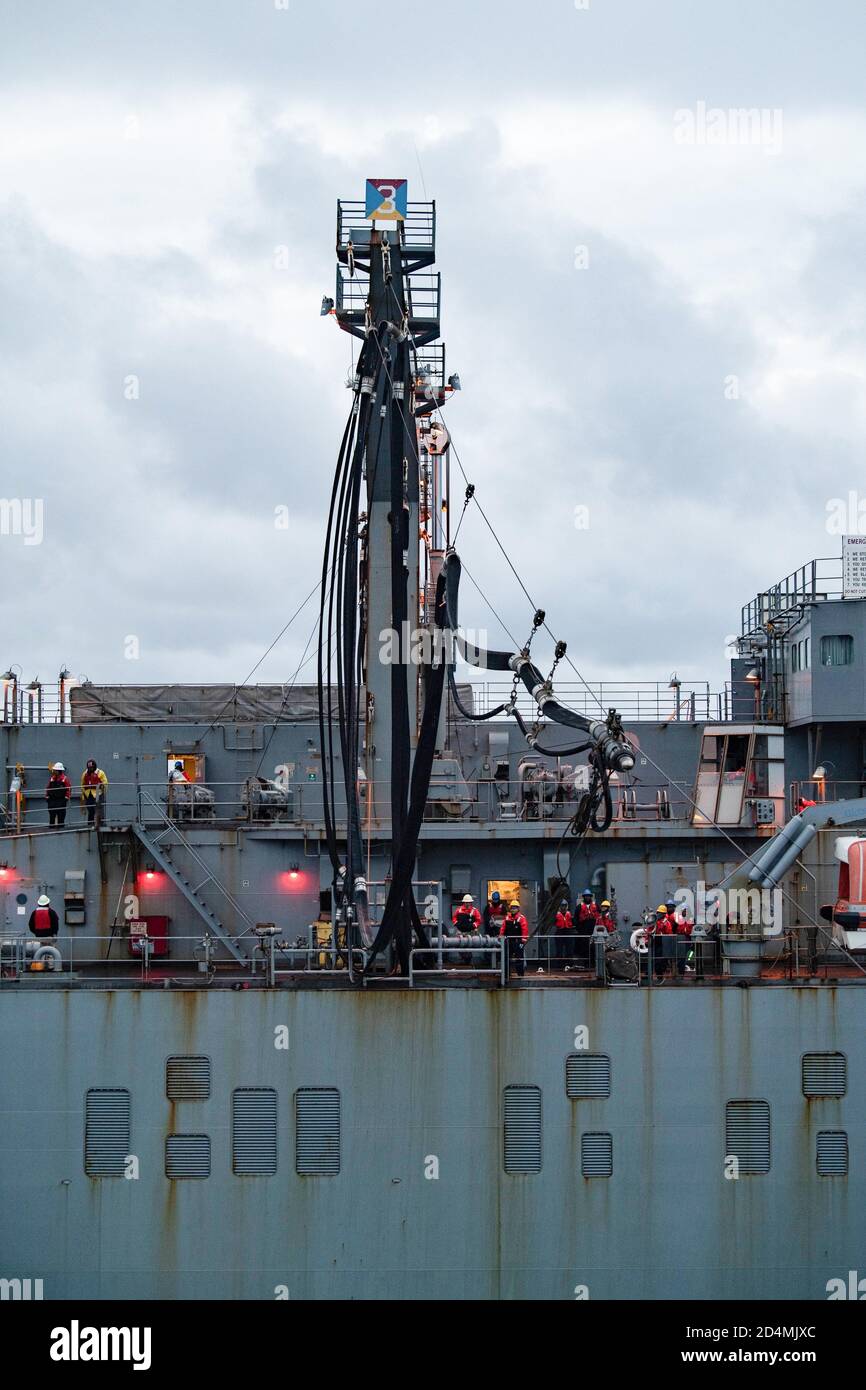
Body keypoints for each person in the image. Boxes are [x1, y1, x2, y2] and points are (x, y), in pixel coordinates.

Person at [500, 899, 528, 979]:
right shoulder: (507, 918)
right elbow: (503, 928)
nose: (513, 909)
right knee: (506, 957)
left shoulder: (521, 918)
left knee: (519, 958)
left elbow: (525, 930)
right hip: (508, 942)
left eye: (515, 908)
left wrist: (523, 940)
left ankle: (520, 974)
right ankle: (506, 974)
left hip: (518, 941)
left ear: (518, 909)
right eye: (512, 908)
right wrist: (501, 937)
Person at [573, 889, 598, 969]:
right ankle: (586, 963)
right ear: (584, 897)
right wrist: (579, 929)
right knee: (584, 948)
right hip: (583, 931)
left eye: (589, 896)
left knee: (593, 948)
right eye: (586, 896)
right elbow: (575, 919)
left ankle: (594, 963)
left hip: (593, 931)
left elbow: (599, 917)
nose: (587, 897)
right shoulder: (579, 907)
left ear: (591, 897)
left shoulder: (596, 906)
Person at [80, 759, 108, 826]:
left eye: (92, 767)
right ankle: (90, 824)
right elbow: (82, 785)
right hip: (88, 794)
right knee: (90, 809)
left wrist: (103, 790)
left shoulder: (100, 773)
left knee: (98, 809)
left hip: (98, 793)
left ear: (94, 766)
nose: (90, 769)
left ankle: (100, 823)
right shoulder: (85, 774)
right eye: (89, 767)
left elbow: (105, 783)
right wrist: (83, 796)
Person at [649, 904, 673, 979]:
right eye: (658, 912)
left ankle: (660, 974)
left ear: (664, 914)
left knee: (662, 959)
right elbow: (649, 929)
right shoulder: (654, 921)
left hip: (663, 942)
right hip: (655, 941)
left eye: (660, 913)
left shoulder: (667, 923)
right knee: (654, 958)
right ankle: (655, 973)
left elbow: (668, 932)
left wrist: (662, 925)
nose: (658, 914)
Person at [46, 763, 71, 827]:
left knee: (61, 819)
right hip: (52, 801)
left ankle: (61, 833)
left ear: (59, 771)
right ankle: (51, 830)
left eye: (55, 770)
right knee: (52, 818)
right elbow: (48, 788)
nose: (54, 771)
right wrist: (47, 797)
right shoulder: (52, 778)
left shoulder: (65, 779)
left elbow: (68, 789)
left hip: (61, 800)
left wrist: (65, 799)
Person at [554, 898, 573, 969]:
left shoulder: (569, 914)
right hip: (559, 931)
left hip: (568, 931)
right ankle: (559, 964)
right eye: (562, 905)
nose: (563, 907)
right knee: (559, 949)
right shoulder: (556, 915)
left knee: (569, 949)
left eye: (565, 906)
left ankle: (569, 964)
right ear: (560, 906)